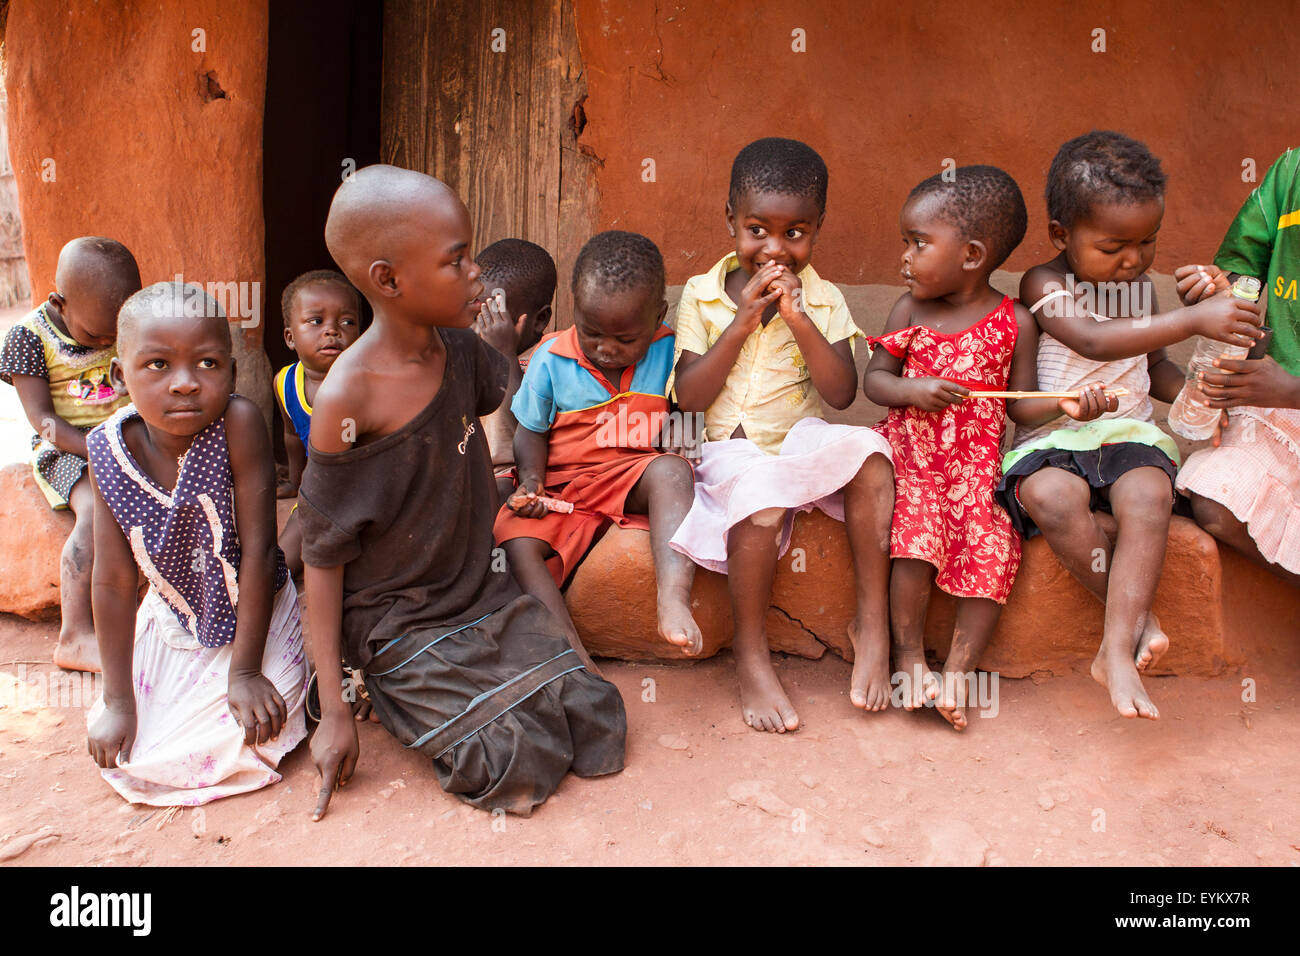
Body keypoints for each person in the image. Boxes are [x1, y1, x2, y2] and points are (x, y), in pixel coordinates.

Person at [299, 165, 626, 820]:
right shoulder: (348, 397)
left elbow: (492, 402)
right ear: (389, 280)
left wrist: (503, 344)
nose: (477, 273)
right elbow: (322, 559)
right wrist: (334, 708)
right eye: (457, 261)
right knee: (510, 765)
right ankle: (384, 694)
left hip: (478, 592)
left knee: (598, 722)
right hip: (398, 622)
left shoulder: (458, 348)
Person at [996, 131, 1261, 720]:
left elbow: (1154, 368)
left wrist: (1199, 390)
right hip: (1053, 440)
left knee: (1150, 494)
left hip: (1130, 438)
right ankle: (1139, 622)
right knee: (1050, 496)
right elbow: (1091, 341)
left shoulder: (1139, 289)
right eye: (1114, 245)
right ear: (1062, 235)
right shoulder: (1043, 284)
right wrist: (1192, 318)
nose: (1133, 260)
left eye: (1148, 242)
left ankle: (1114, 650)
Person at [670, 137, 895, 733]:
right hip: (727, 452)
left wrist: (797, 318)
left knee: (873, 454)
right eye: (757, 231)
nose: (775, 250)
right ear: (730, 221)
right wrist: (743, 321)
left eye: (795, 233)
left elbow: (843, 393)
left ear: (817, 230)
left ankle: (872, 621)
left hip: (796, 439)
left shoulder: (823, 299)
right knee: (761, 494)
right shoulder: (702, 293)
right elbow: (688, 397)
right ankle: (750, 652)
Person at [84, 281, 307, 805]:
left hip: (258, 609)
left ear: (230, 371)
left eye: (207, 364)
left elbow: (259, 553)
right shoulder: (107, 450)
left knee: (257, 729)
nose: (185, 384)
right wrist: (118, 701)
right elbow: (114, 580)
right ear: (120, 375)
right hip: (175, 619)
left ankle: (256, 671)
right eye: (158, 364)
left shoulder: (238, 423)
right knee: (130, 740)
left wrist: (246, 672)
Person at [866, 166, 1049, 730]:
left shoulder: (1014, 321)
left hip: (975, 475)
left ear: (971, 255)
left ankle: (960, 675)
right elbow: (875, 380)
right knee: (917, 543)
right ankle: (909, 658)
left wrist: (1067, 407)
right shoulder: (910, 311)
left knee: (994, 550)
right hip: (915, 464)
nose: (905, 257)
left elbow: (1020, 404)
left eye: (918, 244)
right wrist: (911, 390)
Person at [494, 231, 703, 667]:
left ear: (657, 316)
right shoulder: (551, 357)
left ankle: (673, 597)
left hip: (628, 475)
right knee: (515, 540)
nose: (606, 350)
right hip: (563, 484)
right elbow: (530, 430)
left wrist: (685, 442)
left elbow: (685, 406)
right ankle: (570, 651)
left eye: (625, 340)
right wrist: (532, 483)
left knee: (672, 471)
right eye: (592, 334)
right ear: (574, 311)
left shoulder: (669, 349)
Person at [0, 237, 141, 672]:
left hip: (128, 436)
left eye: (115, 334)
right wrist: (97, 448)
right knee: (98, 510)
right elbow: (42, 419)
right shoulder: (29, 338)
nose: (108, 342)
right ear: (59, 302)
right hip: (66, 447)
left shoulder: (130, 324)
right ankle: (75, 635)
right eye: (97, 335)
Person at [1173, 147, 1300, 585]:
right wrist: (1214, 293)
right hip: (1282, 407)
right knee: (1216, 499)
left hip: (1287, 392)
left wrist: (1292, 391)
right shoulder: (1292, 172)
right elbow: (1238, 284)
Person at [272, 269, 362, 576]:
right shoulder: (285, 383)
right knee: (278, 566)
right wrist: (296, 484)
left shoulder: (368, 383)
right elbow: (292, 436)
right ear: (289, 337)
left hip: (369, 497)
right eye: (316, 321)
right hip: (317, 497)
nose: (332, 331)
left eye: (347, 322)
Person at [470, 238, 556, 506]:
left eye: (495, 319)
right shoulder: (463, 351)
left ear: (539, 319)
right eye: (476, 316)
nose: (481, 330)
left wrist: (505, 355)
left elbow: (525, 424)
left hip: (513, 480)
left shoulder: (550, 361)